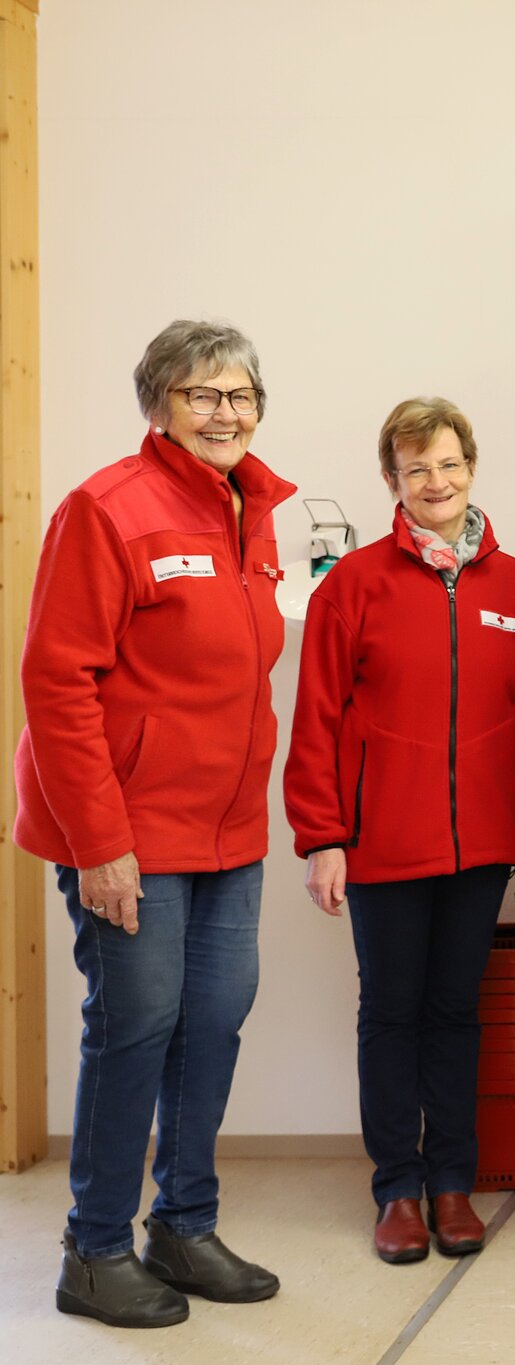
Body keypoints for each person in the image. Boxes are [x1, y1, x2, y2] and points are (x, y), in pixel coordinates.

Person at [16, 320, 294, 1327]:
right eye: (201, 395)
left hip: (228, 834)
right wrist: (100, 844)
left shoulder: (253, 510)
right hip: (128, 831)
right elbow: (57, 683)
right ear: (158, 406)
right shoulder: (108, 509)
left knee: (210, 1025)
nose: (225, 414)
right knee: (134, 1028)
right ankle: (93, 1251)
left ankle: (183, 1226)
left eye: (241, 395)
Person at [284, 397, 515, 1265]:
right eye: (415, 469)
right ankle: (396, 1187)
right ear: (391, 481)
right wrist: (323, 834)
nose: (435, 482)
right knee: (391, 1013)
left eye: (448, 464)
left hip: (482, 846)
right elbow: (316, 718)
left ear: (470, 467)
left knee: (456, 1012)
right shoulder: (352, 585)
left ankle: (451, 1184)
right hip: (382, 844)